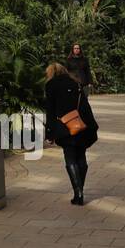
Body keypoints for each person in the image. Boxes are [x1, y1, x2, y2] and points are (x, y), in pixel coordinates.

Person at [44, 63, 98, 205]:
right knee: (81, 156)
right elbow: (86, 105)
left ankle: (78, 193)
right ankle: (80, 189)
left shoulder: (51, 85)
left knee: (70, 158)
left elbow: (50, 110)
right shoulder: (76, 83)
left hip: (65, 127)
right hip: (81, 125)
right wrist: (92, 125)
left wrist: (49, 133)